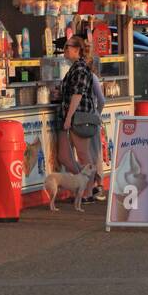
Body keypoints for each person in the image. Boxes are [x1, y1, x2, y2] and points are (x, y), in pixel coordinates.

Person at [56, 36, 99, 187]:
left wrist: (68, 118)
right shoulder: (75, 67)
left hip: (78, 116)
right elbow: (73, 92)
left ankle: (88, 191)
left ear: (77, 50)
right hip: (70, 115)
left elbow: (78, 94)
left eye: (67, 47)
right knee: (64, 156)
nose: (64, 50)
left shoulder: (80, 68)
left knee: (82, 154)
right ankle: (82, 185)